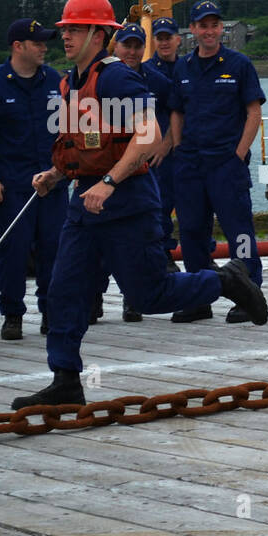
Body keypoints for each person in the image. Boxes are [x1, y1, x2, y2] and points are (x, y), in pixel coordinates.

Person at [10, 0, 266, 409]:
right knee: (63, 290)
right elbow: (85, 145)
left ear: (98, 34)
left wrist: (109, 182)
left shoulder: (116, 78)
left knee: (149, 295)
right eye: (65, 30)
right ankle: (66, 378)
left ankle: (224, 280)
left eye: (74, 29)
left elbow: (148, 134)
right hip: (85, 200)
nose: (65, 37)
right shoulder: (68, 82)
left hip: (127, 200)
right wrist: (57, 174)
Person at [167, 0, 265, 323]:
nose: (209, 31)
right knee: (193, 231)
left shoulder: (238, 64)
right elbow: (177, 112)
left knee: (239, 231)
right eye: (202, 25)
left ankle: (249, 292)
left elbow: (254, 112)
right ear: (192, 30)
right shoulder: (183, 67)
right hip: (191, 164)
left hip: (226, 162)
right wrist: (179, 149)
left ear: (221, 28)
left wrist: (238, 154)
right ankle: (199, 298)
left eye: (214, 25)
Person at [0, 18, 65, 339]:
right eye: (37, 43)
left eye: (44, 42)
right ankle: (12, 314)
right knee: (12, 251)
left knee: (55, 249)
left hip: (52, 184)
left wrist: (65, 170)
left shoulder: (57, 81)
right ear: (18, 46)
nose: (44, 48)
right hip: (12, 185)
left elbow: (70, 128)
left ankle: (52, 311)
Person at [90, 21, 176, 322]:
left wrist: (164, 145)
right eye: (127, 44)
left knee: (136, 238)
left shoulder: (156, 79)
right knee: (98, 236)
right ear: (115, 45)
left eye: (138, 45)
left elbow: (176, 110)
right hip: (106, 169)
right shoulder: (104, 77)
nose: (132, 51)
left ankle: (132, 298)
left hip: (138, 171)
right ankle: (94, 298)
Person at [146, 16, 183, 266]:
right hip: (156, 152)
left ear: (178, 39)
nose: (164, 42)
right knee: (159, 204)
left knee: (193, 203)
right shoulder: (146, 71)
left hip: (184, 147)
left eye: (168, 37)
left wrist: (170, 141)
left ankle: (202, 252)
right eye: (159, 38)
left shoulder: (189, 67)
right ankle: (163, 254)